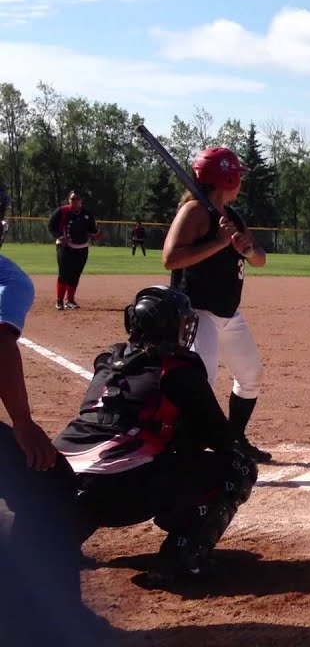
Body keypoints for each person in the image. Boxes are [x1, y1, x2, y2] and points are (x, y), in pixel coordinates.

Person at [52, 285, 258, 587]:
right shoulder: (179, 370)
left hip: (56, 488)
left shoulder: (107, 360)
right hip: (115, 495)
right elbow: (223, 439)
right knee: (238, 466)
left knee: (114, 456)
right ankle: (181, 561)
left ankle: (57, 541)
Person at [1, 181, 113, 644]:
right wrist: (24, 425)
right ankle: (35, 618)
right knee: (50, 482)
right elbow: (1, 344)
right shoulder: (7, 277)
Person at [162, 147, 272, 464]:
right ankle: (184, 450)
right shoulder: (195, 211)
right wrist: (220, 244)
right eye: (238, 176)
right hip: (197, 311)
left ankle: (234, 438)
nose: (241, 182)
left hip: (227, 312)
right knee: (201, 383)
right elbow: (170, 258)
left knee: (250, 374)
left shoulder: (232, 217)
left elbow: (261, 258)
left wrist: (246, 248)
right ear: (226, 178)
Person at [46, 189, 102, 311]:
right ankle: (59, 301)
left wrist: (97, 234)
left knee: (75, 275)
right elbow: (51, 226)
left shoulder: (87, 214)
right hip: (65, 246)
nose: (75, 201)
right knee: (64, 274)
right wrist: (60, 237)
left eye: (77, 199)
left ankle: (70, 300)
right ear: (69, 200)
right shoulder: (62, 211)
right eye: (73, 199)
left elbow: (92, 229)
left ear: (81, 201)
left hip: (82, 248)